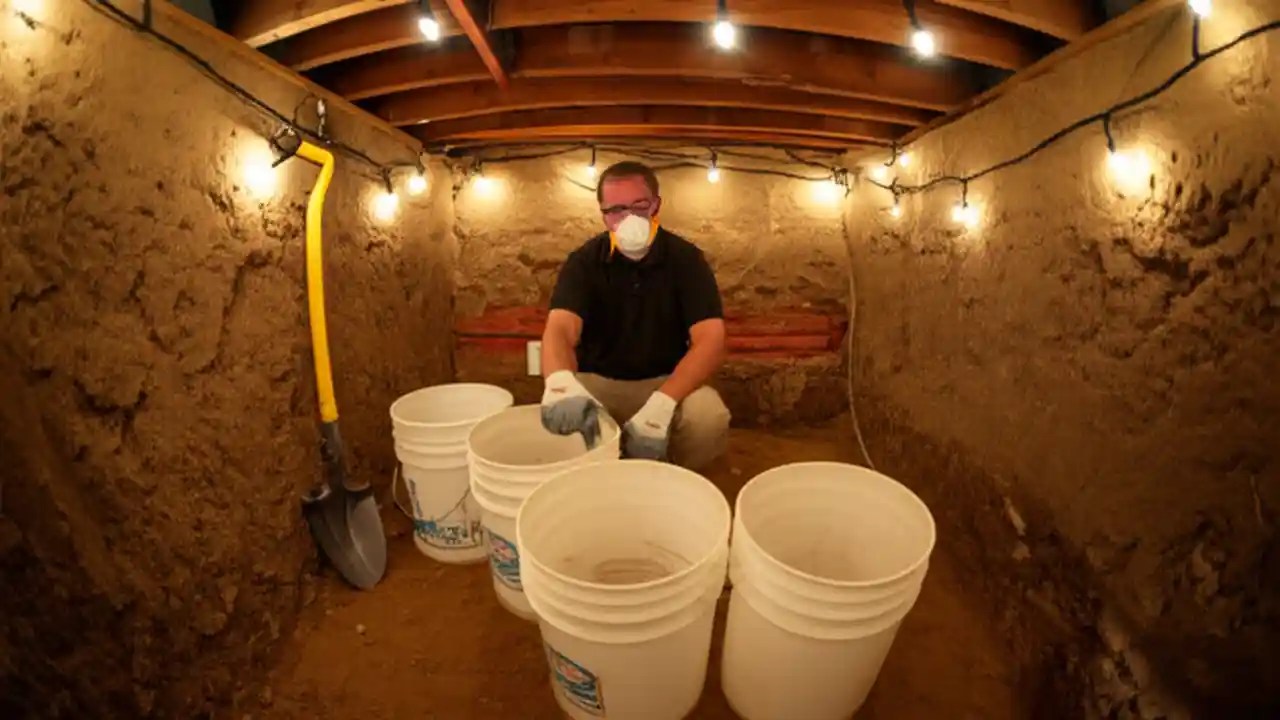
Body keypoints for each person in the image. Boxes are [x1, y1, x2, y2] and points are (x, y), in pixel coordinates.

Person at [538, 161, 731, 470]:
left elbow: (710, 338)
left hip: (666, 380)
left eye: (638, 205)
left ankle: (677, 478)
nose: (626, 218)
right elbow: (561, 327)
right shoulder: (584, 262)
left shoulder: (685, 260)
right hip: (599, 381)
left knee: (708, 417)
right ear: (602, 213)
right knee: (566, 411)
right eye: (614, 210)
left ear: (656, 205)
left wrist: (663, 402)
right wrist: (560, 382)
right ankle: (595, 478)